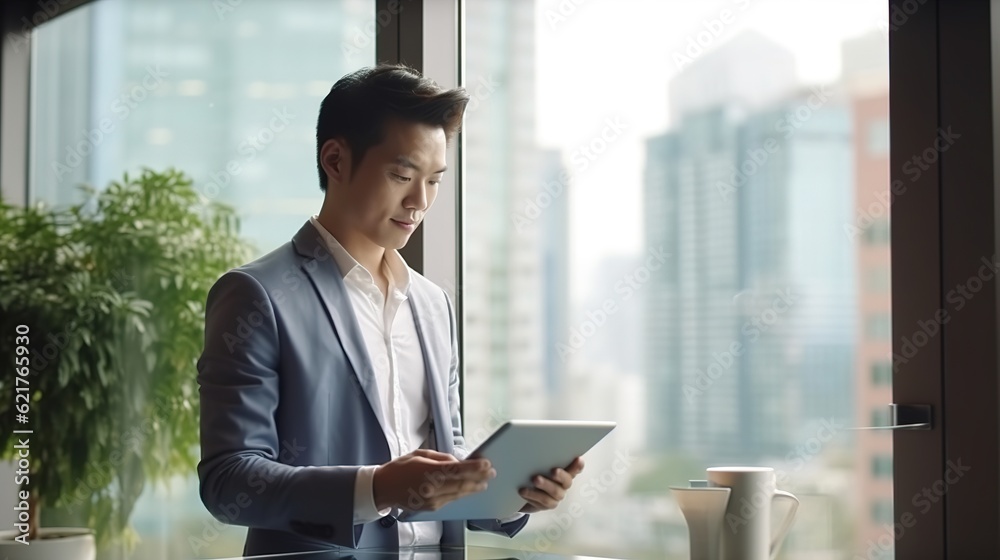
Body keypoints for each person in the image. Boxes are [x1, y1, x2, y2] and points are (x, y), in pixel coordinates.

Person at [196, 64, 585, 556]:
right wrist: (377, 487)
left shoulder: (431, 303)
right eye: (402, 175)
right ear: (335, 160)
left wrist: (513, 496)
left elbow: (446, 459)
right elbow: (229, 482)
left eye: (435, 180)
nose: (419, 201)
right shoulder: (257, 295)